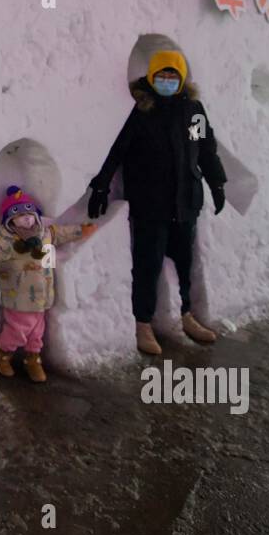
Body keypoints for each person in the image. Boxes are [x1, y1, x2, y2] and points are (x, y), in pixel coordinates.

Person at [86, 50, 228, 356]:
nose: (166, 81)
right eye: (161, 76)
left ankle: (186, 315)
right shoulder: (142, 110)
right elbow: (118, 149)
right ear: (151, 78)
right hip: (150, 202)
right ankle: (143, 323)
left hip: (186, 200)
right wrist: (101, 185)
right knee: (147, 264)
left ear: (181, 79)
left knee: (184, 262)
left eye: (172, 76)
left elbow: (205, 148)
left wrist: (217, 183)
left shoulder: (193, 110)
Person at [0, 186, 95, 382]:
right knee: (17, 331)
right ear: (10, 220)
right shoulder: (6, 241)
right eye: (20, 215)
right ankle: (2, 354)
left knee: (37, 334)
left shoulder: (45, 234)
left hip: (42, 297)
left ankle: (33, 360)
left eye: (30, 214)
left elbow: (62, 233)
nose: (27, 219)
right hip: (18, 298)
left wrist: (81, 230)